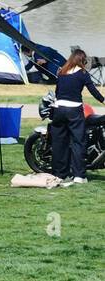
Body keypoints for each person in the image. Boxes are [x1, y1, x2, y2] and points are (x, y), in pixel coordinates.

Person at [50, 49, 104, 185]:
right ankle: (79, 175)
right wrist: (103, 100)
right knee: (78, 142)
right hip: (74, 110)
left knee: (59, 142)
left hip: (59, 109)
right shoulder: (82, 74)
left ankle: (60, 174)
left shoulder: (62, 72)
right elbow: (93, 90)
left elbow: (57, 91)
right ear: (82, 61)